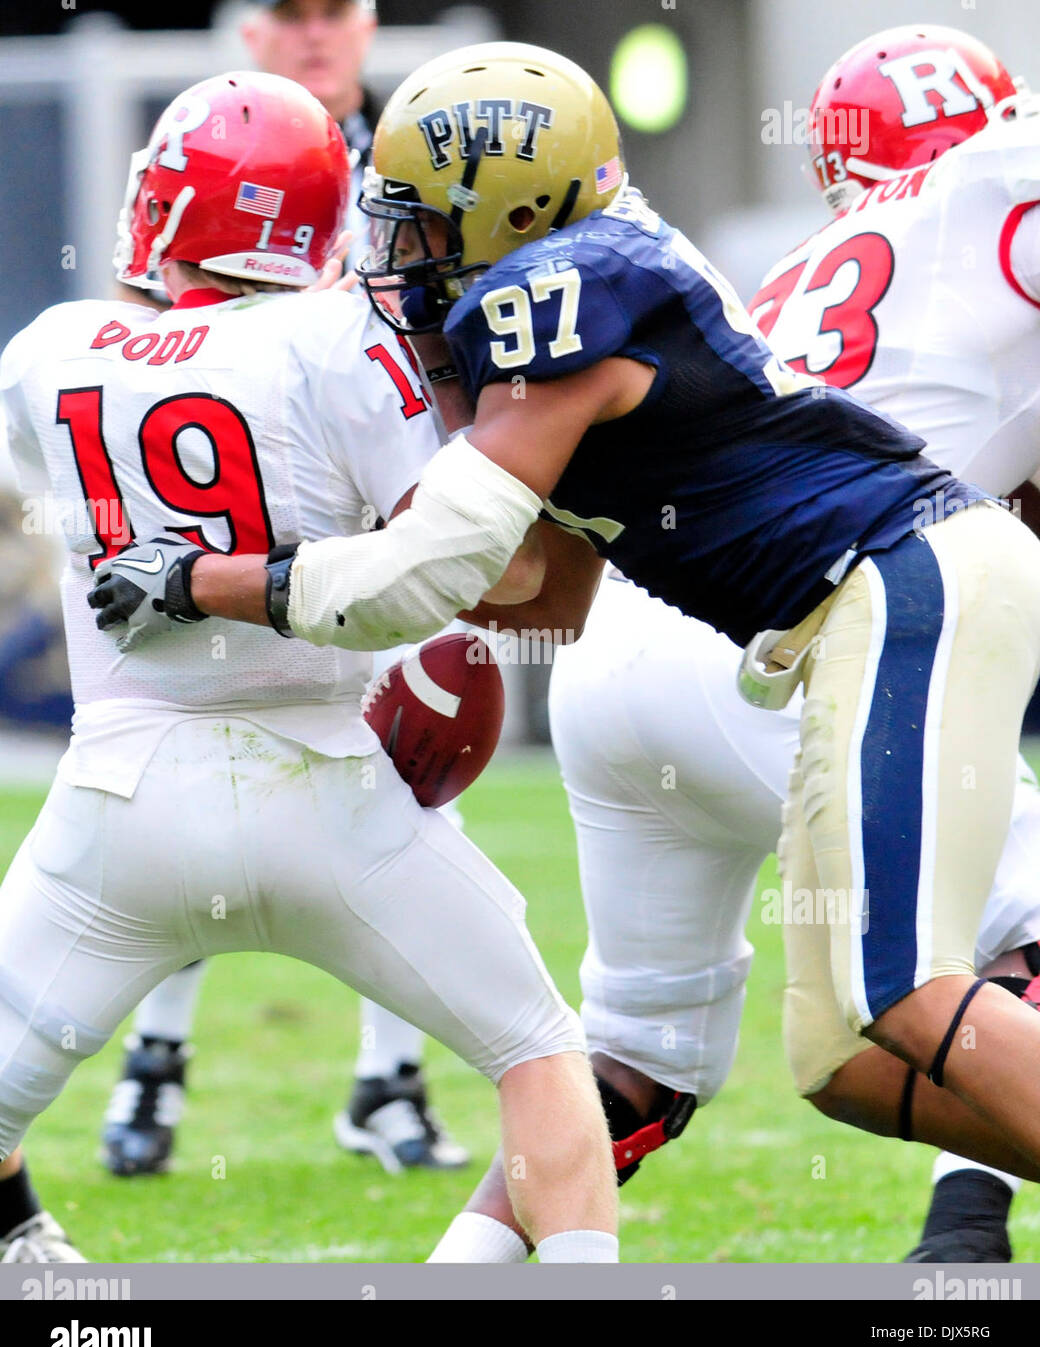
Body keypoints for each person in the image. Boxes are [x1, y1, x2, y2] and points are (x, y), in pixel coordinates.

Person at [93, 40, 1040, 1261]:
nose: (399, 248)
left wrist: (199, 578)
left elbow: (428, 574)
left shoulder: (567, 291)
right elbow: (540, 579)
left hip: (905, 577)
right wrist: (365, 548)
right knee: (838, 1058)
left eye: (424, 221)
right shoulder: (590, 283)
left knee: (903, 985)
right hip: (808, 626)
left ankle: (961, 1235)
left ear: (516, 206)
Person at [0, 69, 619, 1265]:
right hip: (333, 786)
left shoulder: (52, 349)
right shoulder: (343, 341)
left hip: (119, 800)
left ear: (169, 205)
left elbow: (69, 475)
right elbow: (482, 567)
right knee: (539, 1052)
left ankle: (23, 1244)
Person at [104, 0, 470, 1179]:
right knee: (180, 774)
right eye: (290, 11)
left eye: (334, 10)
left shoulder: (417, 156)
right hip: (232, 506)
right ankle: (152, 1064)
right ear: (245, 29)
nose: (315, 33)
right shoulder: (209, 141)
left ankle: (388, 1079)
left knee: (417, 770)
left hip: (375, 497)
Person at [747, 23, 1040, 1262]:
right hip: (903, 613)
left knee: (835, 1039)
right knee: (970, 952)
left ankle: (961, 1226)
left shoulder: (799, 266)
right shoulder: (989, 198)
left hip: (768, 637)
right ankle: (963, 1223)